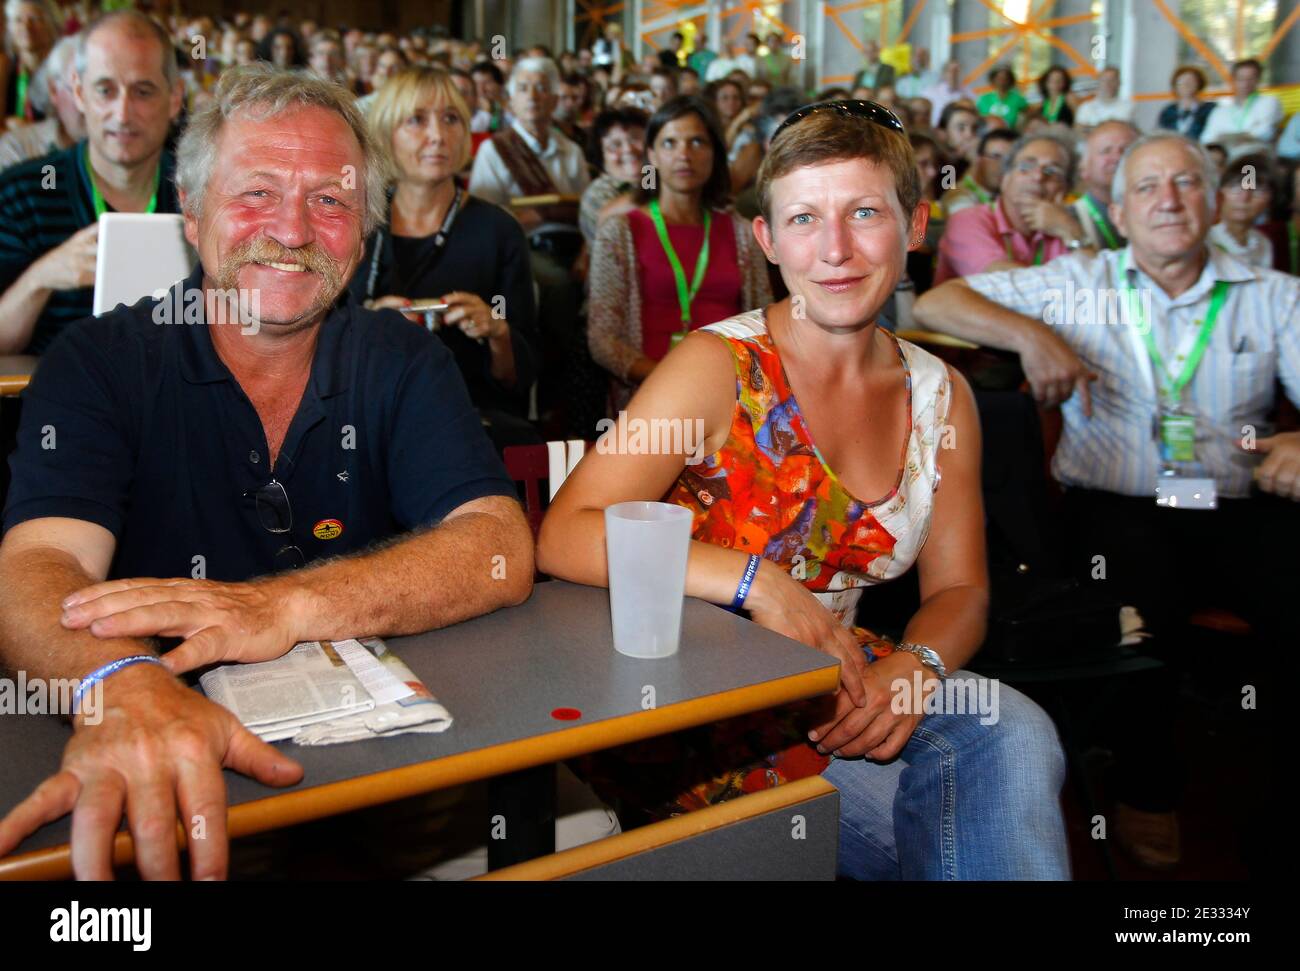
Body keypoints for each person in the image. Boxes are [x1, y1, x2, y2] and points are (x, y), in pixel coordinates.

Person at [0, 64, 534, 882]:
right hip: (167, 772)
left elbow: (497, 545)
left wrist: (279, 606)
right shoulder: (97, 363)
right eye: (256, 192)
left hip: (383, 779)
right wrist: (122, 682)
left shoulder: (404, 360)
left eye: (330, 199)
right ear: (191, 210)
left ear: (363, 230)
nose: (291, 229)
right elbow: (36, 567)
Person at [542, 100, 1069, 879]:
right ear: (767, 240)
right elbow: (565, 531)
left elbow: (960, 589)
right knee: (971, 832)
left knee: (1011, 728)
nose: (835, 250)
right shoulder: (717, 367)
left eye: (864, 212)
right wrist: (755, 581)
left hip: (840, 692)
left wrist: (916, 664)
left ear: (914, 224)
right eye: (802, 220)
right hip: (694, 711)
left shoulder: (942, 395)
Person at [915, 131, 1300, 869]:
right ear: (1117, 212)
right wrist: (1028, 334)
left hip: (1239, 504)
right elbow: (940, 298)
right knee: (1136, 596)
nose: (1169, 199)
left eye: (1187, 183)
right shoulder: (1080, 281)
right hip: (1116, 503)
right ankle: (1148, 790)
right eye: (1148, 187)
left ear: (1215, 202)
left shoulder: (1274, 296)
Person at [348, 67, 541, 451]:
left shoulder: (498, 230)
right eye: (417, 120)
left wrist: (497, 332)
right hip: (367, 421)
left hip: (471, 426)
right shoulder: (356, 225)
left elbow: (520, 380)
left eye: (450, 119)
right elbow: (315, 348)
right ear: (386, 134)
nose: (437, 135)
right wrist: (368, 321)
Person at [0, 10, 183, 355]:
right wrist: (39, 279)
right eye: (105, 90)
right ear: (79, 93)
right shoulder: (20, 196)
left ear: (174, 98)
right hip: (56, 401)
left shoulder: (204, 198)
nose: (123, 113)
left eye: (143, 92)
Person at [588, 95, 771, 411]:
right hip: (648, 395)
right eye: (670, 143)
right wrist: (672, 382)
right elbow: (603, 340)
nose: (684, 155)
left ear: (715, 154)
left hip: (732, 394)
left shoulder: (742, 232)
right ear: (652, 155)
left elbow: (764, 324)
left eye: (697, 142)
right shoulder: (620, 231)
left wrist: (734, 384)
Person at [934, 132, 1080, 283]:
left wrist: (1071, 231)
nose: (1038, 177)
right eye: (1026, 166)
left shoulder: (1063, 227)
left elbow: (1095, 288)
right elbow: (1001, 279)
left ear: (1066, 189)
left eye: (1052, 171)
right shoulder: (966, 221)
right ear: (1005, 178)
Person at [0, 32, 83, 172]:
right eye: (78, 91)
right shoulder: (20, 149)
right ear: (53, 90)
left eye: (103, 91)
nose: (88, 105)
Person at [578, 104, 646, 244]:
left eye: (635, 139)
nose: (628, 149)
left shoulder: (651, 178)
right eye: (615, 145)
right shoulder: (598, 194)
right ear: (602, 156)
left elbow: (649, 185)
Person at [1068, 119, 1139, 250]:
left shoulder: (1160, 210)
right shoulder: (1069, 219)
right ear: (1084, 169)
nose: (1117, 158)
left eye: (1126, 150)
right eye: (1106, 151)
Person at [1208, 152, 1275, 269]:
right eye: (1235, 187)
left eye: (1257, 190)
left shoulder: (1263, 244)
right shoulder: (1205, 237)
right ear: (1219, 193)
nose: (1244, 197)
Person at [1200, 58, 1282, 145]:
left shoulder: (1269, 102)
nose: (1245, 83)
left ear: (1258, 80)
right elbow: (1206, 139)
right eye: (1241, 78)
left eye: (1251, 78)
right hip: (1221, 152)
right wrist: (1244, 136)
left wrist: (1227, 137)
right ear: (1233, 81)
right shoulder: (1220, 110)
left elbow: (1265, 133)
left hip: (1254, 152)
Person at [939, 126, 1015, 216]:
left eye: (1010, 160)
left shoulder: (1007, 196)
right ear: (978, 159)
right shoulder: (959, 199)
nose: (1003, 166)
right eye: (995, 157)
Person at [3, 0, 58, 124]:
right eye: (18, 20)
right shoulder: (6, 69)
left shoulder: (61, 68)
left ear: (51, 24)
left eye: (34, 19)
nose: (26, 27)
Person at [1158, 65, 1215, 142]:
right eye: (1181, 82)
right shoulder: (1168, 112)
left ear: (1199, 84)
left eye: (1190, 82)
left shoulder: (1209, 110)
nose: (1185, 85)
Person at [925, 59, 976, 126]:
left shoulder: (970, 94)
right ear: (943, 73)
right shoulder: (929, 93)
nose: (953, 74)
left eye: (956, 70)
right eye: (949, 70)